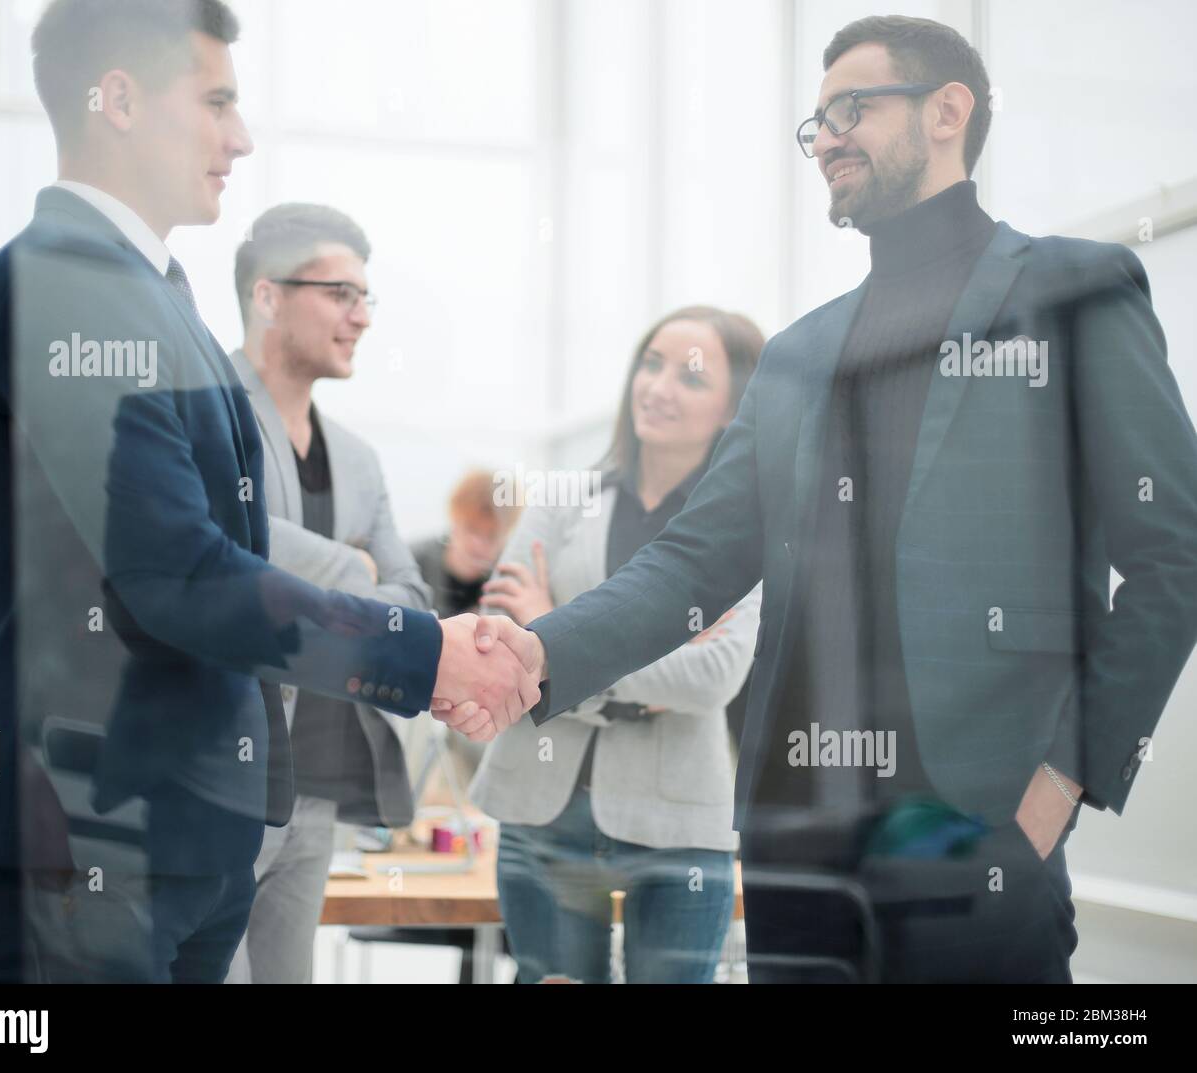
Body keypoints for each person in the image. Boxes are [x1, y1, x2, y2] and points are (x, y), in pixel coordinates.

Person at [456, 14, 1197, 983]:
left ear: (948, 111)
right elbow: (693, 560)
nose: (827, 139)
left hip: (979, 825)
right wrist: (540, 652)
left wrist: (1065, 776)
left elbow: (1171, 550)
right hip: (796, 833)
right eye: (815, 124)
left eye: (852, 107)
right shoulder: (799, 356)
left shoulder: (1074, 289)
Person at [0, 0, 533, 983]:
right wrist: (422, 653)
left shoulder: (154, 292)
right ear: (117, 100)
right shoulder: (70, 288)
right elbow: (178, 572)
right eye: (215, 101)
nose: (240, 136)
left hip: (177, 844)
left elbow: (236, 552)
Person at [470, 307, 765, 983]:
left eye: (690, 376)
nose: (657, 386)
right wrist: (644, 668)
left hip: (681, 820)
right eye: (651, 362)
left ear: (734, 406)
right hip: (541, 806)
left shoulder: (743, 523)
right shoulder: (562, 501)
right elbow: (504, 652)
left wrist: (558, 631)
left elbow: (714, 677)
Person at [222, 202, 432, 983]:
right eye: (341, 294)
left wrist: (341, 582)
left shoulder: (359, 459)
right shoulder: (207, 412)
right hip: (221, 770)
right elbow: (232, 549)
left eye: (367, 297)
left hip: (315, 781)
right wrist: (354, 570)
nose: (362, 317)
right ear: (268, 295)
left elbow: (410, 599)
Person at [413, 471, 521, 618]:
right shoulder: (410, 564)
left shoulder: (512, 582)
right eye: (471, 529)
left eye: (491, 536)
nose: (478, 545)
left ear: (506, 534)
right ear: (454, 518)